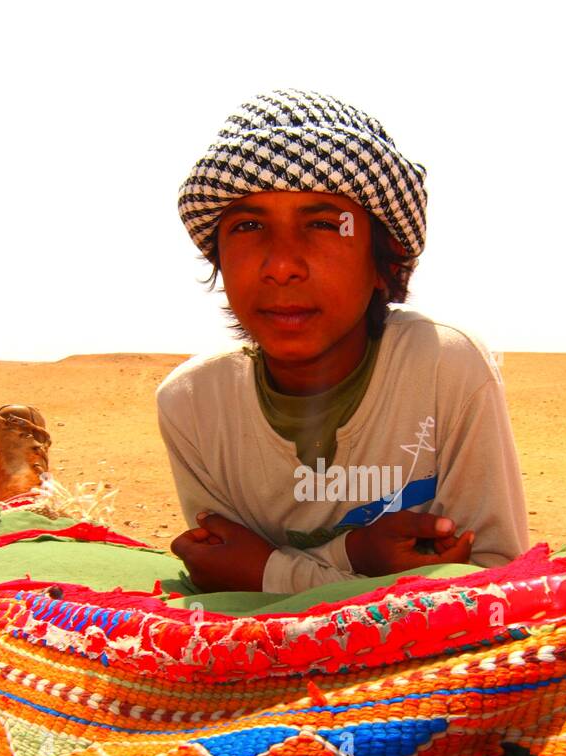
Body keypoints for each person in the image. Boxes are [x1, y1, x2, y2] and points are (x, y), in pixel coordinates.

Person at [157, 89, 530, 595]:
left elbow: (491, 581)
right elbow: (227, 577)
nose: (282, 265)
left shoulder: (446, 368)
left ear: (384, 262)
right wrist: (357, 557)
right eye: (248, 226)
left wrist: (278, 573)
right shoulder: (193, 403)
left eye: (324, 224)